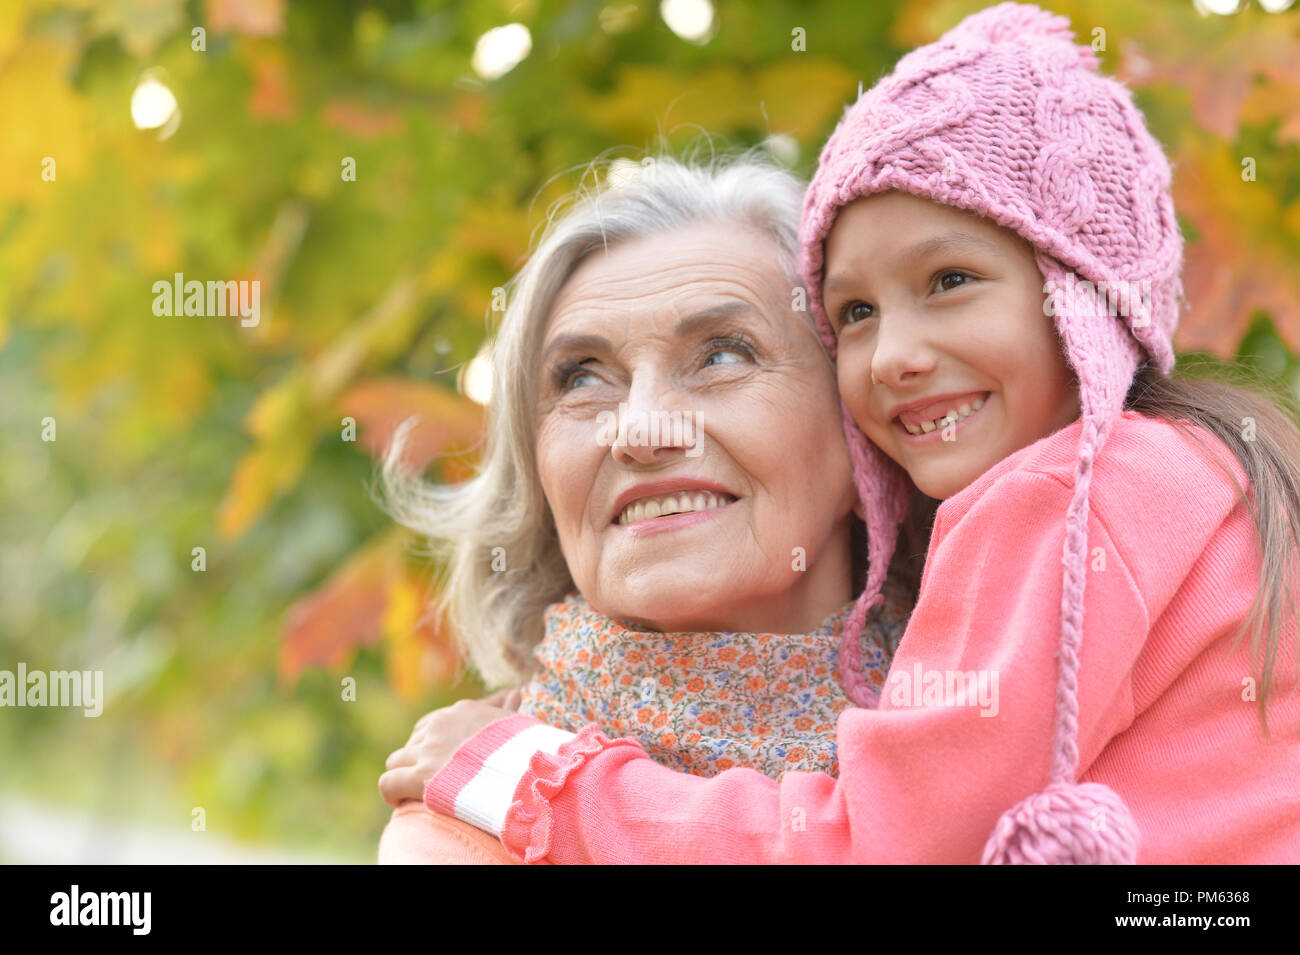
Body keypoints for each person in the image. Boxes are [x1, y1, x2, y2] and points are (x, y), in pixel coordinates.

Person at [406, 2, 1300, 864]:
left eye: (722, 354)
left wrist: (539, 781)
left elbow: (878, 842)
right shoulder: (1193, 479)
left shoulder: (1065, 503)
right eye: (580, 376)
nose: (898, 357)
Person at [375, 155, 917, 863]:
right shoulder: (468, 819)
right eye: (582, 376)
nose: (640, 429)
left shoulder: (1026, 734)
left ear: (863, 442)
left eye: (722, 355)